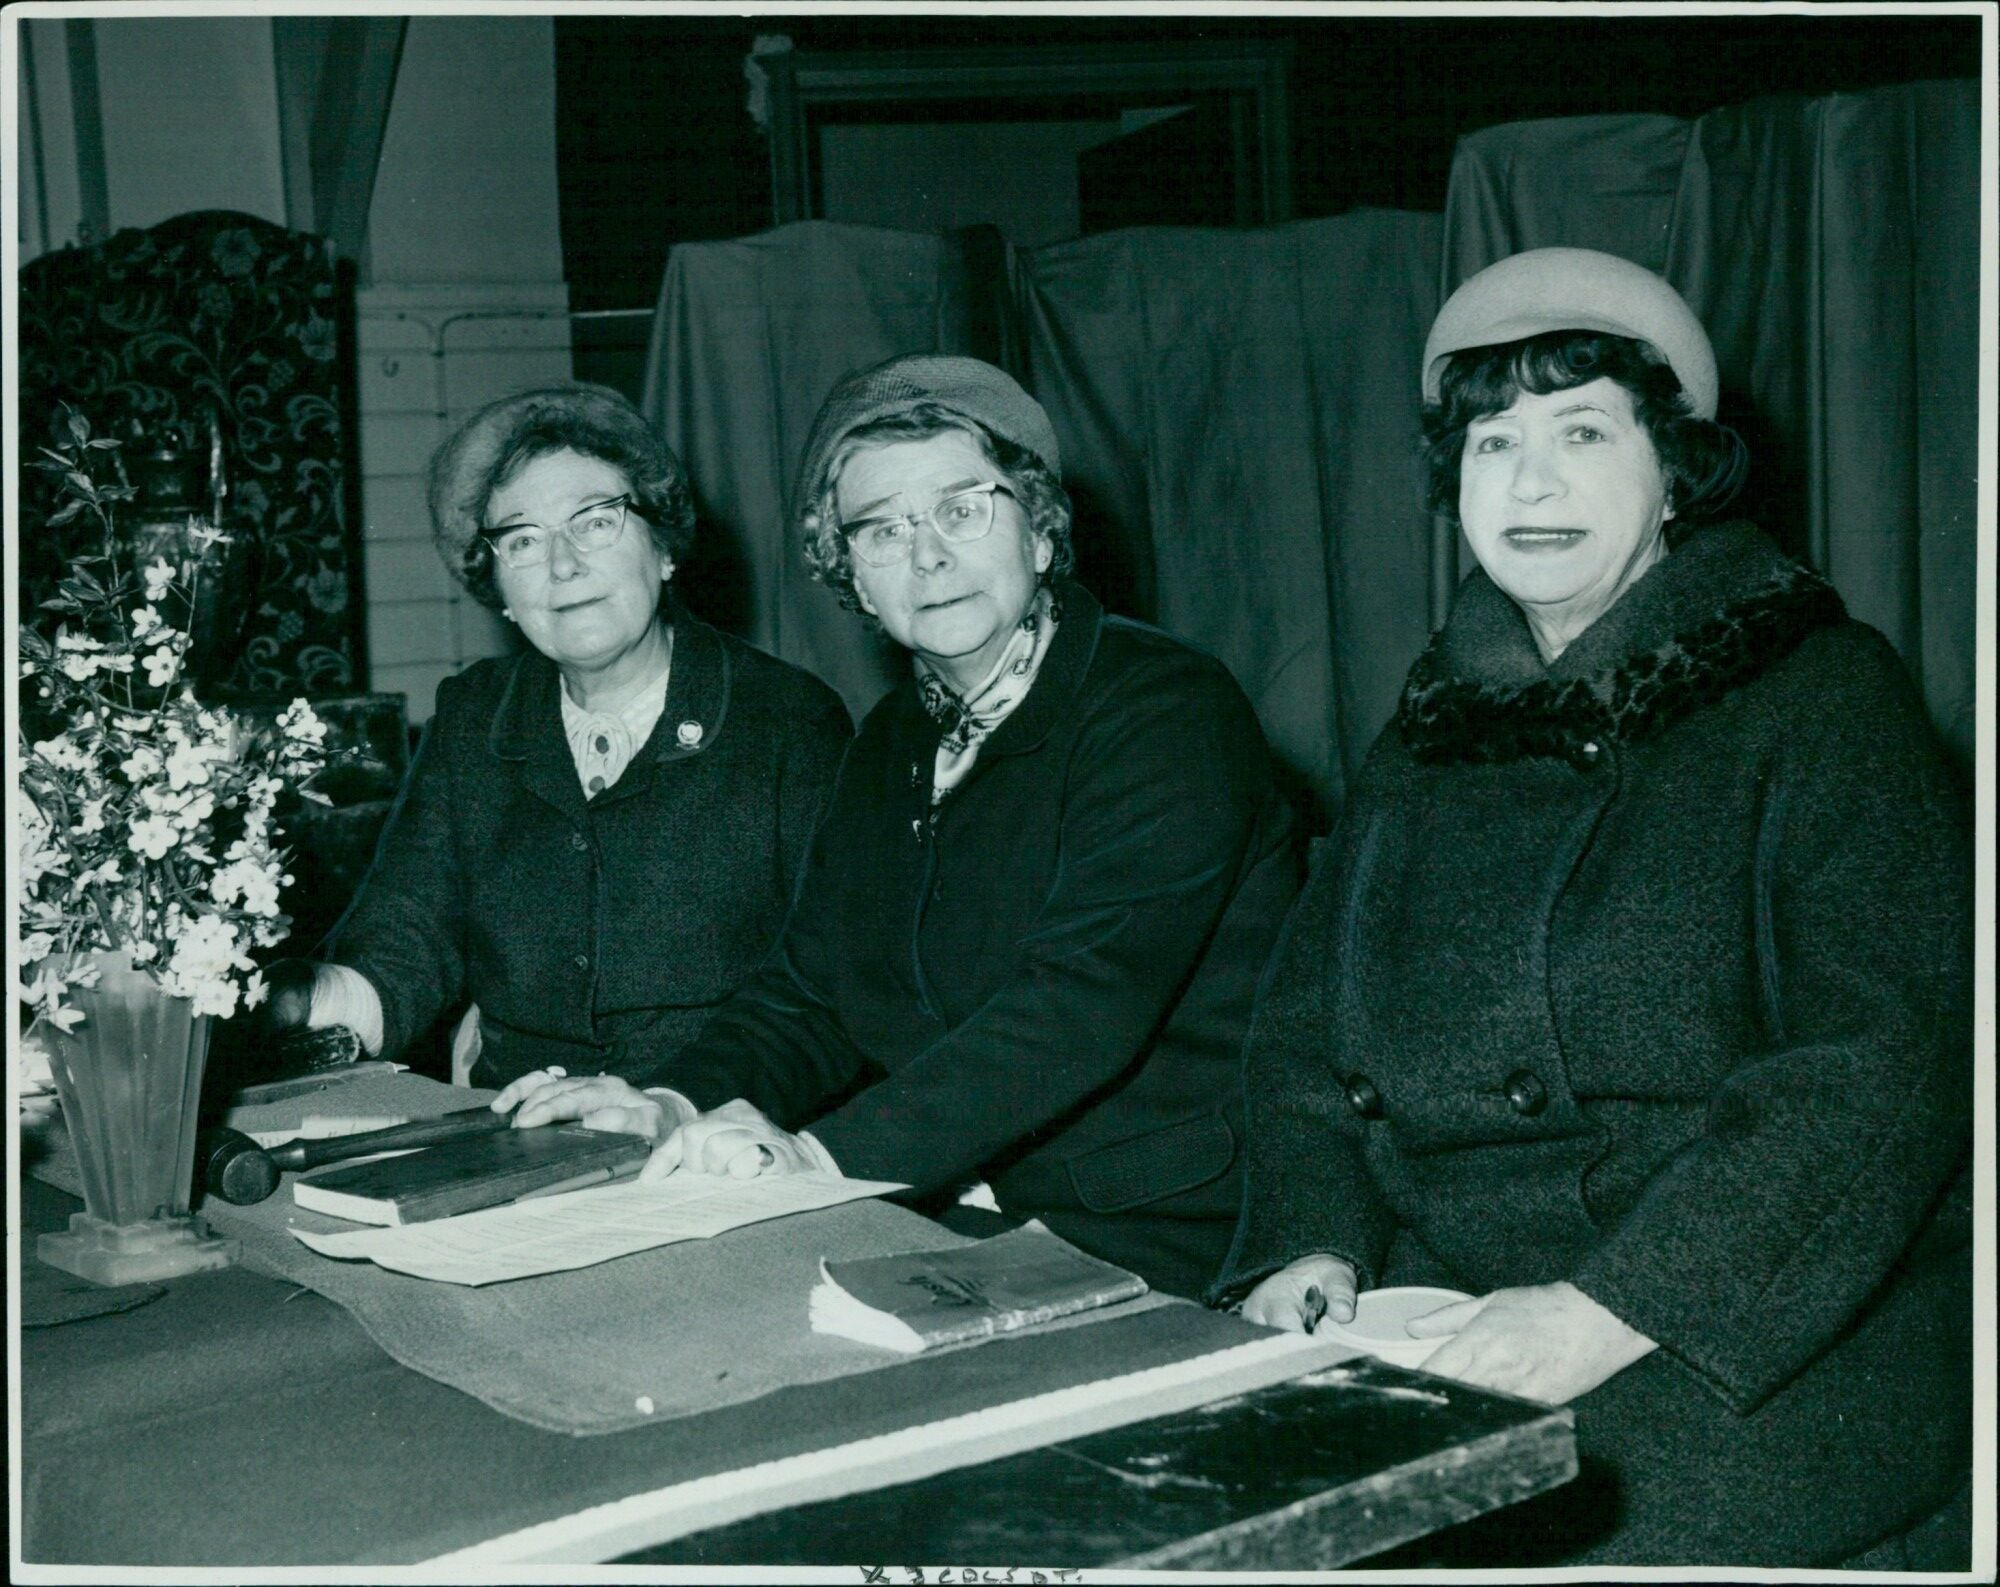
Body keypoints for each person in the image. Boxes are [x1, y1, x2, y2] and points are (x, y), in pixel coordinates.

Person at [1217, 248, 1972, 1567]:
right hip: (1448, 1292)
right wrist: (1307, 1245)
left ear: (1673, 469)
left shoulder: (1823, 695)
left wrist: (1607, 1307)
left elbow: (1879, 1066)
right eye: (1492, 442)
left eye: (1581, 431)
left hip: (1757, 1314)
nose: (1530, 482)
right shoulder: (1422, 732)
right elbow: (1301, 1043)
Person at [498, 355, 1301, 1297]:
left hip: (1162, 1231)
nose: (927, 557)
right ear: (853, 579)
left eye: (962, 509)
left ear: (1041, 531)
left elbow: (1075, 1010)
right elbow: (811, 995)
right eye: (882, 530)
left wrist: (817, 1160)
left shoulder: (1163, 707)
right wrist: (671, 1101)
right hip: (959, 1215)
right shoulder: (892, 739)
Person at [258, 382, 852, 1088]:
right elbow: (407, 939)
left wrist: (677, 1103)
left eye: (595, 521)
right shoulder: (476, 717)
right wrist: (277, 996)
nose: (563, 564)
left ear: (663, 547)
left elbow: (830, 989)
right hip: (513, 1121)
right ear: (500, 592)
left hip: (713, 1121)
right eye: (523, 540)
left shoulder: (785, 720)